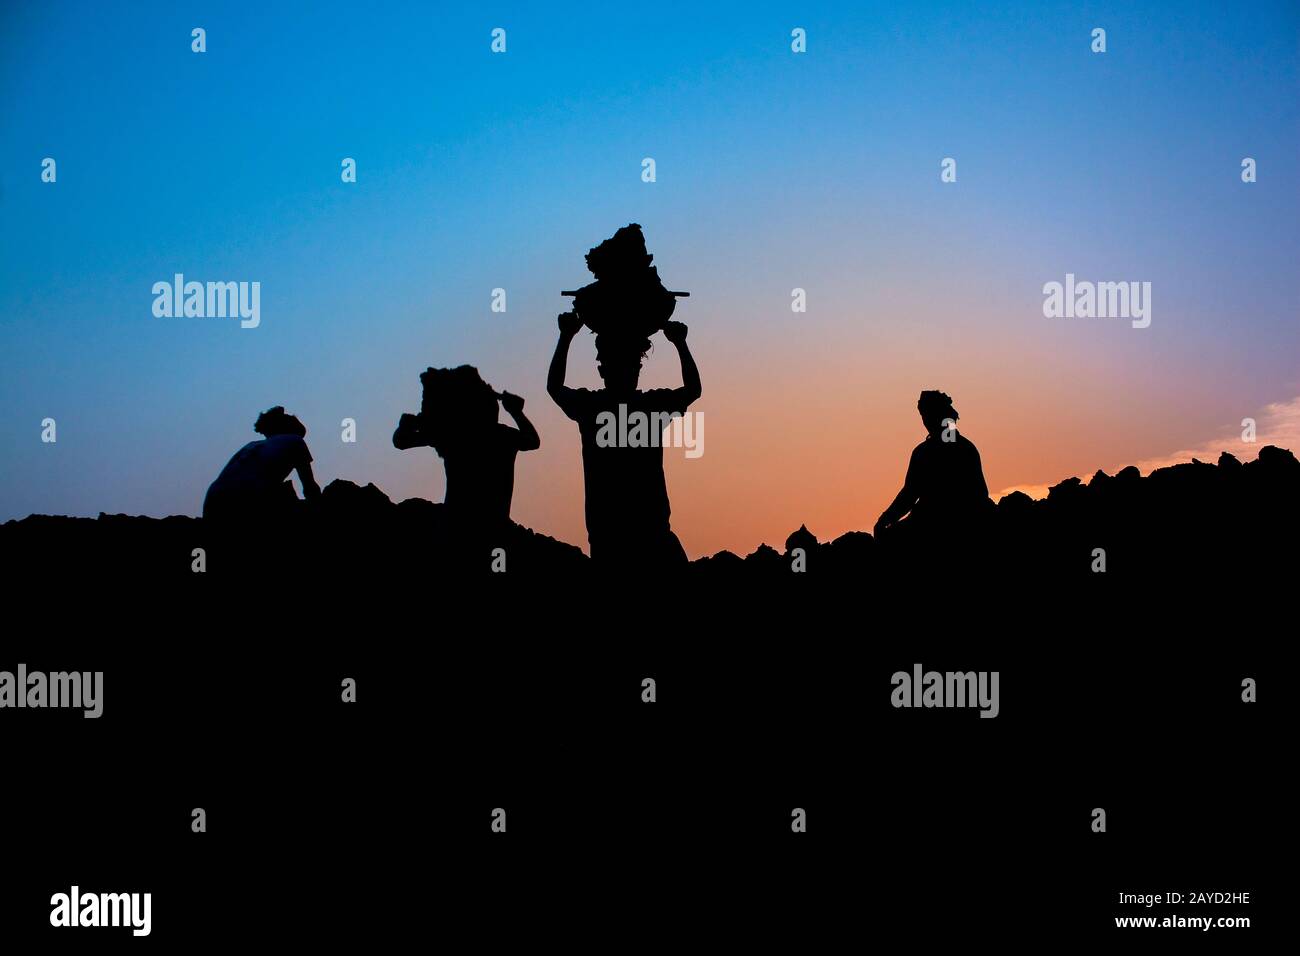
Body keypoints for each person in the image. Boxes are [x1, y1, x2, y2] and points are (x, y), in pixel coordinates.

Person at [548, 310, 701, 569]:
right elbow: (693, 389)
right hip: (636, 535)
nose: (629, 373)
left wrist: (566, 337)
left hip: (619, 536)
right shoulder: (649, 407)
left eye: (630, 366)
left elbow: (554, 388)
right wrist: (679, 342)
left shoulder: (593, 408)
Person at [393, 365, 539, 527]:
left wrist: (405, 425)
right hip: (494, 526)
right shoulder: (501, 435)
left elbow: (401, 441)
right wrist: (516, 412)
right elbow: (533, 441)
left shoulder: (453, 434)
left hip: (455, 523)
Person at [874, 390, 991, 538]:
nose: (925, 421)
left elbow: (910, 494)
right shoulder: (965, 447)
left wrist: (884, 520)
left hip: (933, 523)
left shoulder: (926, 452)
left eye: (927, 415)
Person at [203, 406, 320, 521]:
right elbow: (309, 486)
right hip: (244, 501)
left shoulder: (251, 446)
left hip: (213, 502)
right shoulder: (295, 440)